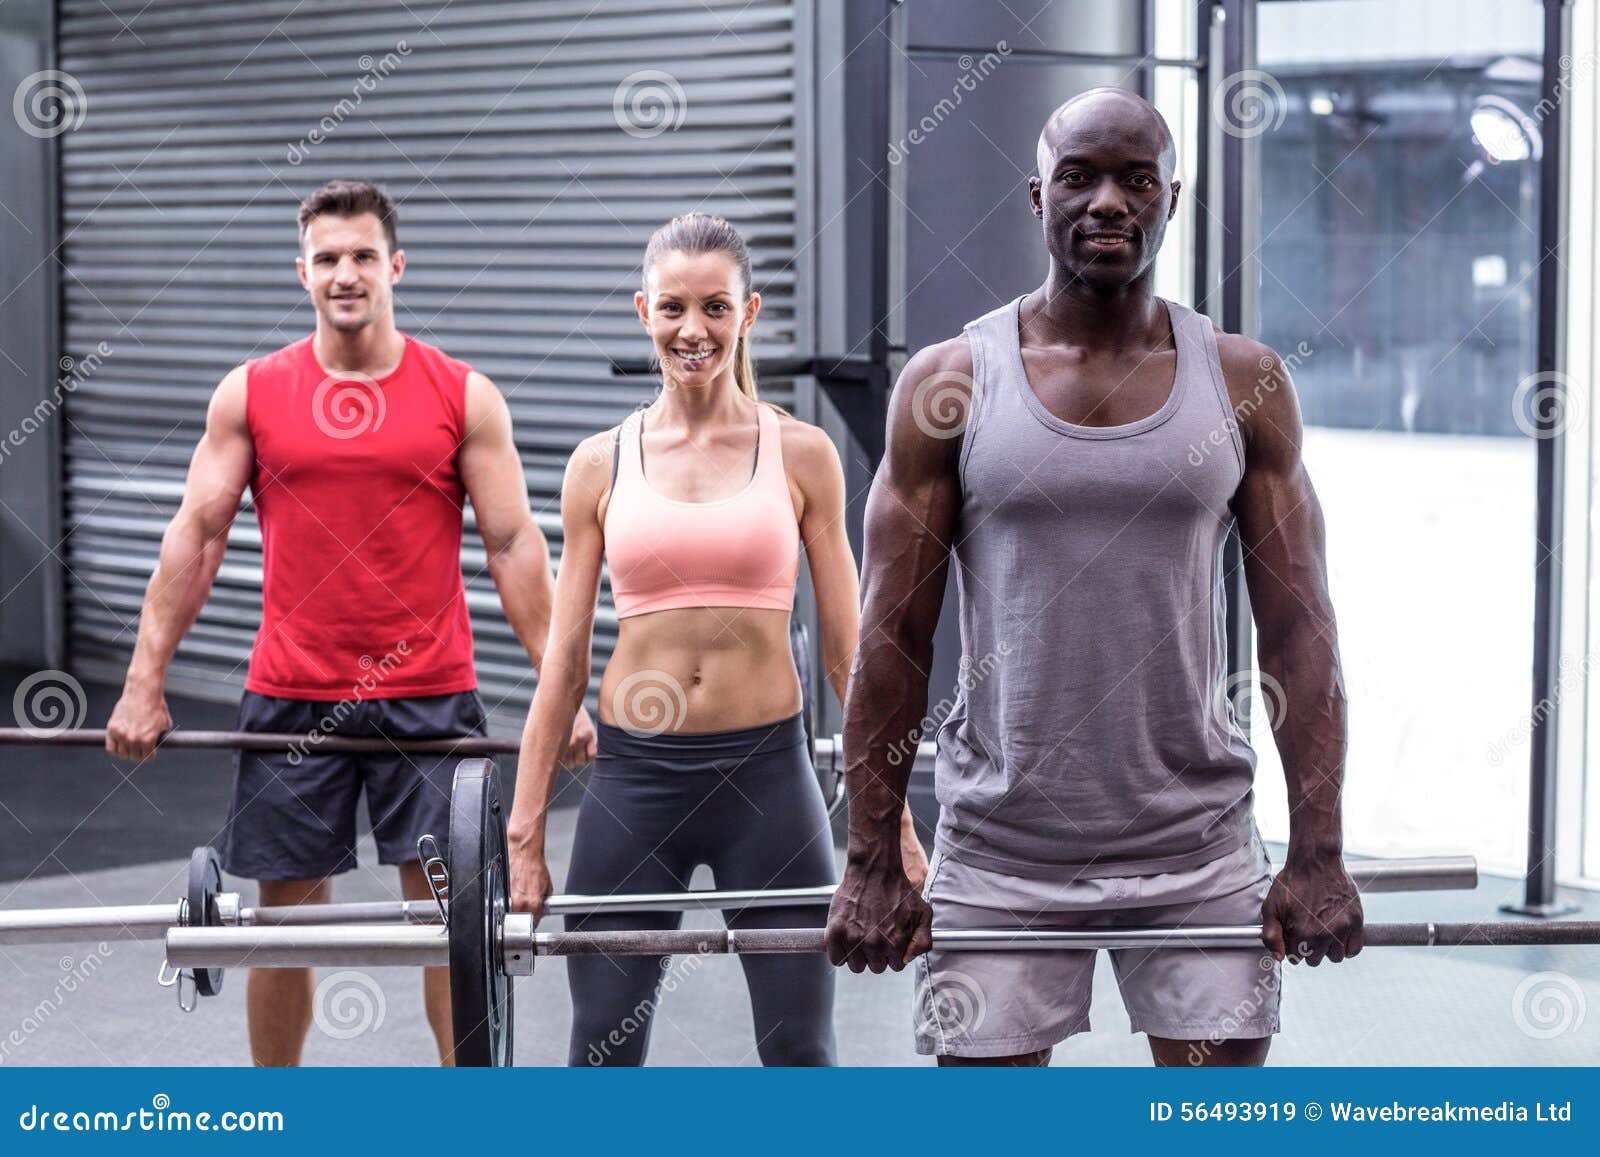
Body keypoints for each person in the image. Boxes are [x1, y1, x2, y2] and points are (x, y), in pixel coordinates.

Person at [824, 88, 1364, 1067]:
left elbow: (1299, 629)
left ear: (1169, 199)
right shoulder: (949, 383)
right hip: (999, 844)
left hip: (1195, 840)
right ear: (1038, 197)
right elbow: (890, 636)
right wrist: (870, 855)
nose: (1108, 200)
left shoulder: (1244, 381)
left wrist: (1317, 847)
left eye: (1136, 179)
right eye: (1079, 176)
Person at [103, 178, 595, 1066]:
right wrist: (144, 681)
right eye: (327, 258)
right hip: (293, 699)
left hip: (429, 701)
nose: (346, 273)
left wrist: (566, 698)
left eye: (363, 255)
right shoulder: (251, 394)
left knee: (453, 923)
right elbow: (197, 536)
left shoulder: (462, 394)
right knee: (283, 927)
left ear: (395, 265)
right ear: (302, 272)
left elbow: (518, 546)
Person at [507, 212, 926, 1066]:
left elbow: (853, 655)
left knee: (801, 1046)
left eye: (713, 308)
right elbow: (564, 660)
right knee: (600, 1050)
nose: (691, 330)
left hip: (767, 780)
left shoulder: (802, 454)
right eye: (671, 309)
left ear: (749, 312)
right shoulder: (600, 463)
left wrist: (900, 826)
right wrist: (522, 834)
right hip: (635, 782)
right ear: (642, 311)